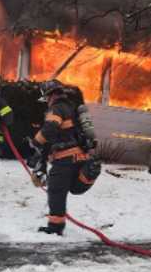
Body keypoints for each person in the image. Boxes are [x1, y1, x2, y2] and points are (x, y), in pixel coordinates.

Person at [31, 79, 101, 235]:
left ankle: (55, 227)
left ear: (50, 96)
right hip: (81, 156)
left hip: (65, 159)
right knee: (74, 188)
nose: (47, 102)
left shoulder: (56, 109)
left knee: (56, 191)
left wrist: (36, 141)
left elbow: (50, 128)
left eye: (47, 99)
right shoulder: (73, 108)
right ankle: (88, 174)